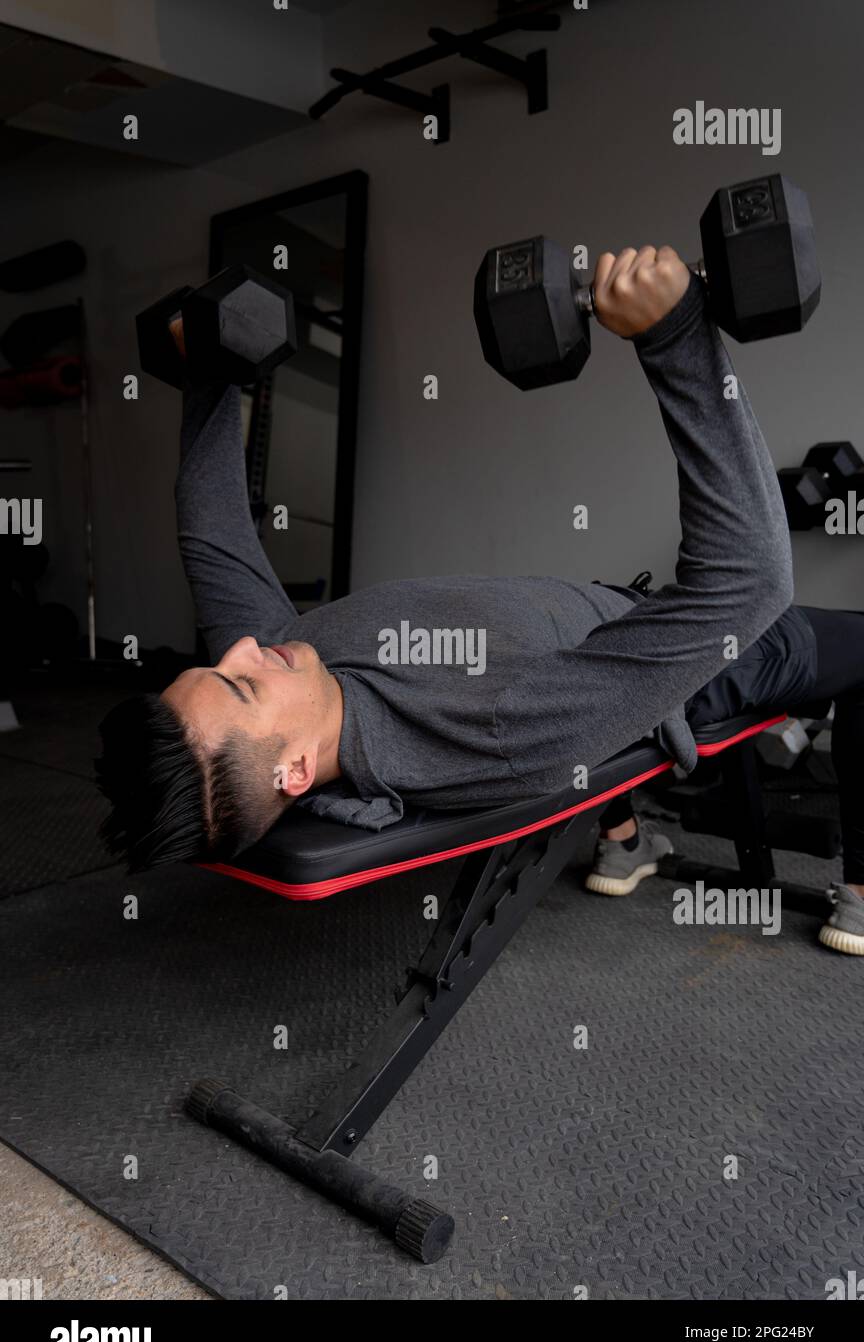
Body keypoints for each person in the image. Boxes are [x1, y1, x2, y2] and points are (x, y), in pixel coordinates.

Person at [96, 246, 864, 955]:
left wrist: (207, 374)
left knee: (578, 676)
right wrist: (676, 336)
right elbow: (750, 584)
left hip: (602, 624)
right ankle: (859, 892)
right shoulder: (497, 727)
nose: (239, 648)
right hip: (709, 658)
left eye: (219, 662)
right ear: (295, 771)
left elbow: (213, 531)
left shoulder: (282, 670)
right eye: (238, 681)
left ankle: (627, 841)